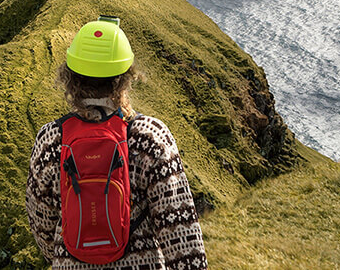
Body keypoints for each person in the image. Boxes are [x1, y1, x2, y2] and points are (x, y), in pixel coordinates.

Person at [26, 16, 208, 269]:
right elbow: (180, 231)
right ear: (126, 77)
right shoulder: (150, 136)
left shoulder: (50, 140)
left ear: (70, 77)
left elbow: (41, 224)